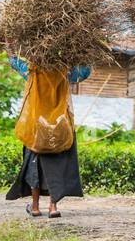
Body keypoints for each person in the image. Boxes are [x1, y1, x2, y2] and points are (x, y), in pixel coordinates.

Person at [5, 56, 91, 218]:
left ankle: (35, 207)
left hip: (36, 127)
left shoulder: (32, 71)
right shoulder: (65, 72)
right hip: (59, 128)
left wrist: (11, 50)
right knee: (56, 167)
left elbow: (15, 62)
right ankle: (53, 207)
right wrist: (86, 57)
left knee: (34, 167)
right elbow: (84, 72)